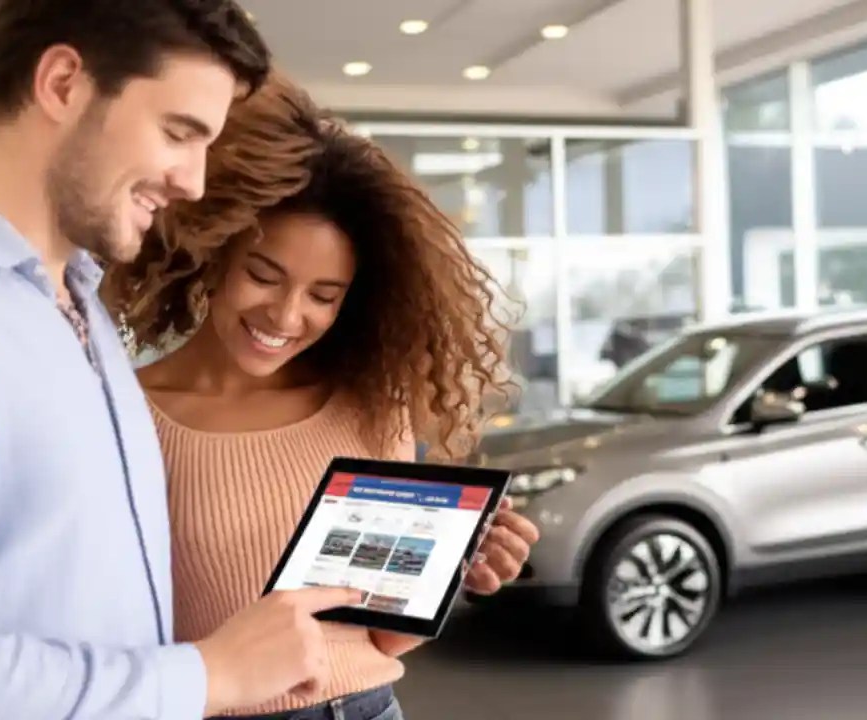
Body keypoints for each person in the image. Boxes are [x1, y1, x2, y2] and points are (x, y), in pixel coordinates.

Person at [0, 2, 366, 718]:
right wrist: (208, 677)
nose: (193, 181)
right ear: (63, 83)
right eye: (178, 133)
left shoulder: (79, 308)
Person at [101, 74, 542, 719]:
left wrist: (452, 575)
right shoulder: (130, 414)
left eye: (322, 295)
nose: (286, 315)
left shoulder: (369, 407)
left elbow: (378, 639)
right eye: (263, 275)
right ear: (215, 257)